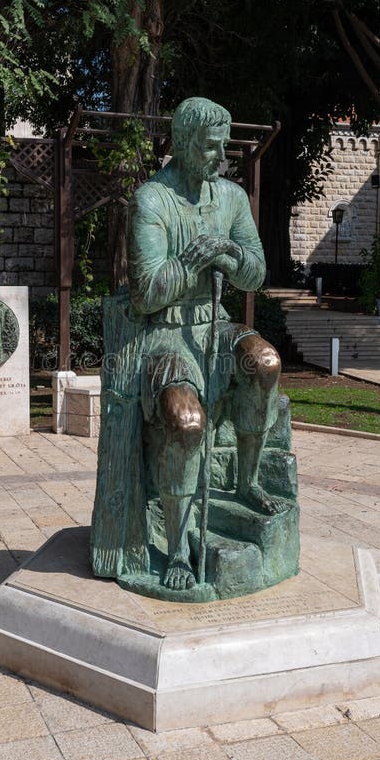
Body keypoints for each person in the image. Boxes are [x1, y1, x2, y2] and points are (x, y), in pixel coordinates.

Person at [126, 97, 283, 591]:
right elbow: (146, 292)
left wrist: (231, 253)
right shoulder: (151, 199)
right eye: (211, 148)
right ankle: (175, 545)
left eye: (223, 148)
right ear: (185, 143)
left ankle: (246, 481)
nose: (220, 158)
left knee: (265, 361)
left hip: (214, 324)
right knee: (186, 420)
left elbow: (256, 274)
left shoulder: (232, 199)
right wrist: (192, 263)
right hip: (164, 336)